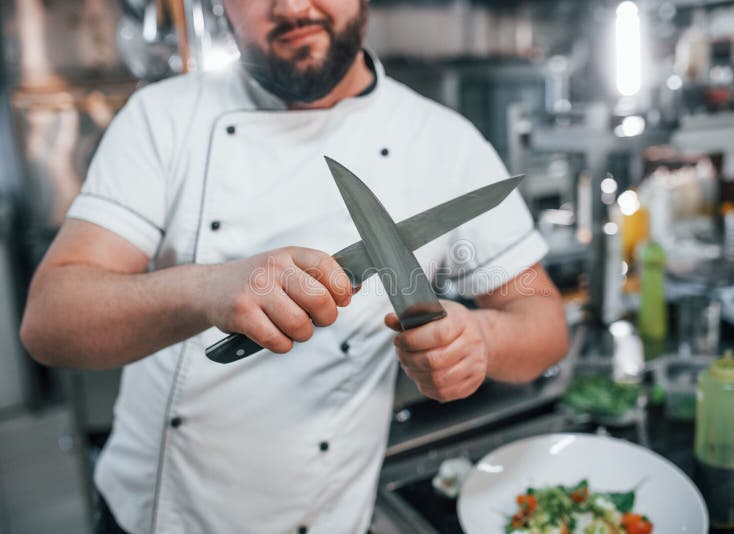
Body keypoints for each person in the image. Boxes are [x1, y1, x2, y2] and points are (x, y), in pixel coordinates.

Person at [20, 1, 569, 532]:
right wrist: (206, 288)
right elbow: (50, 322)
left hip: (327, 516)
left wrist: (481, 338)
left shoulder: (448, 144)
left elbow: (542, 322)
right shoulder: (164, 118)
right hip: (160, 515)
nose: (291, 5)